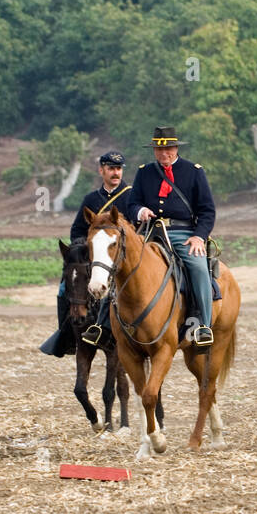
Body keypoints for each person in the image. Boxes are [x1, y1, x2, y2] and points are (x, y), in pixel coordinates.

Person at [122, 126, 218, 346]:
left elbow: (207, 210)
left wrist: (198, 237)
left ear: (176, 148)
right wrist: (140, 211)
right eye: (159, 149)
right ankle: (104, 325)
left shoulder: (193, 171)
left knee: (199, 268)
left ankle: (204, 324)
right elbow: (132, 203)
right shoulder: (144, 172)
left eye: (168, 149)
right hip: (150, 233)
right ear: (154, 150)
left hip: (183, 234)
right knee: (120, 264)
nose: (164, 154)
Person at [39, 150, 131, 356]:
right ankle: (67, 335)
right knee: (65, 288)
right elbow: (77, 231)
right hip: (94, 260)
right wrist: (86, 249)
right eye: (111, 169)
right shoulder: (91, 198)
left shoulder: (131, 197)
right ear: (102, 171)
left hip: (121, 258)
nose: (115, 173)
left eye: (118, 169)